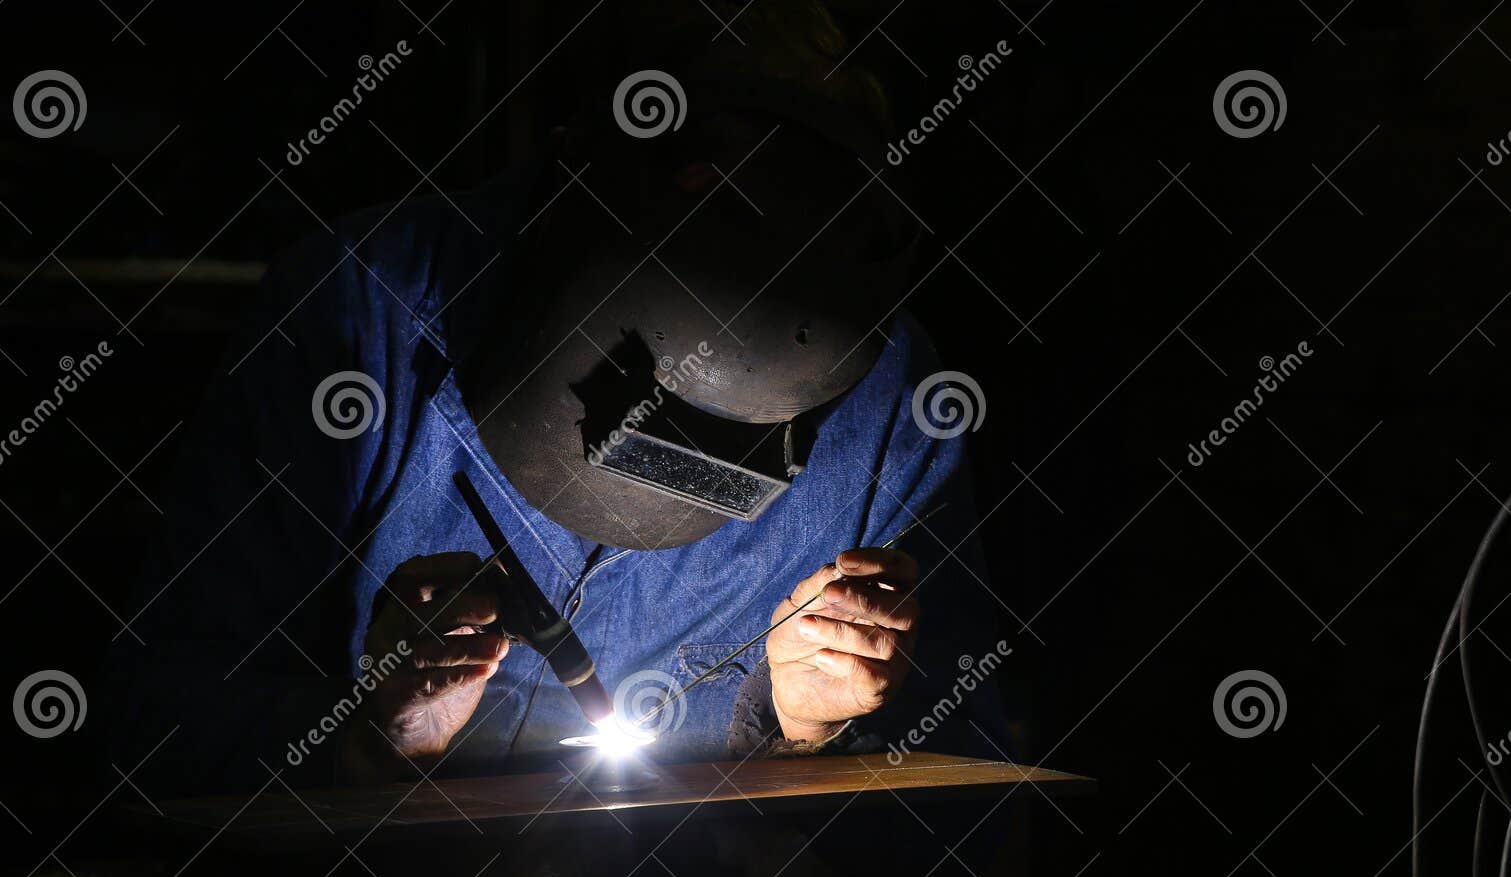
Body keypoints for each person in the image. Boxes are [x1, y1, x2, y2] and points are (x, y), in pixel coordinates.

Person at [102, 16, 1008, 794]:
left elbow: (963, 824)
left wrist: (802, 730)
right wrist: (368, 741)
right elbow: (152, 729)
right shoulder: (360, 313)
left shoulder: (888, 403)